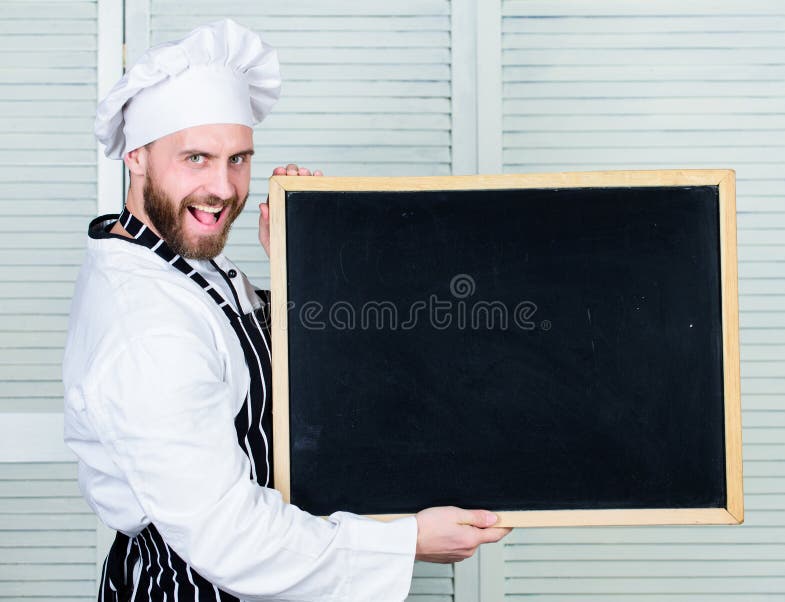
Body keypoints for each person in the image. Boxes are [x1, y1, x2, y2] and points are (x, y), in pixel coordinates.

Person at [63, 19, 510, 601]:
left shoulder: (171, 261)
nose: (223, 189)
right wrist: (407, 542)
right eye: (196, 158)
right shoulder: (148, 333)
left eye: (238, 159)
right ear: (138, 157)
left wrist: (301, 262)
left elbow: (255, 358)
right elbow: (234, 540)